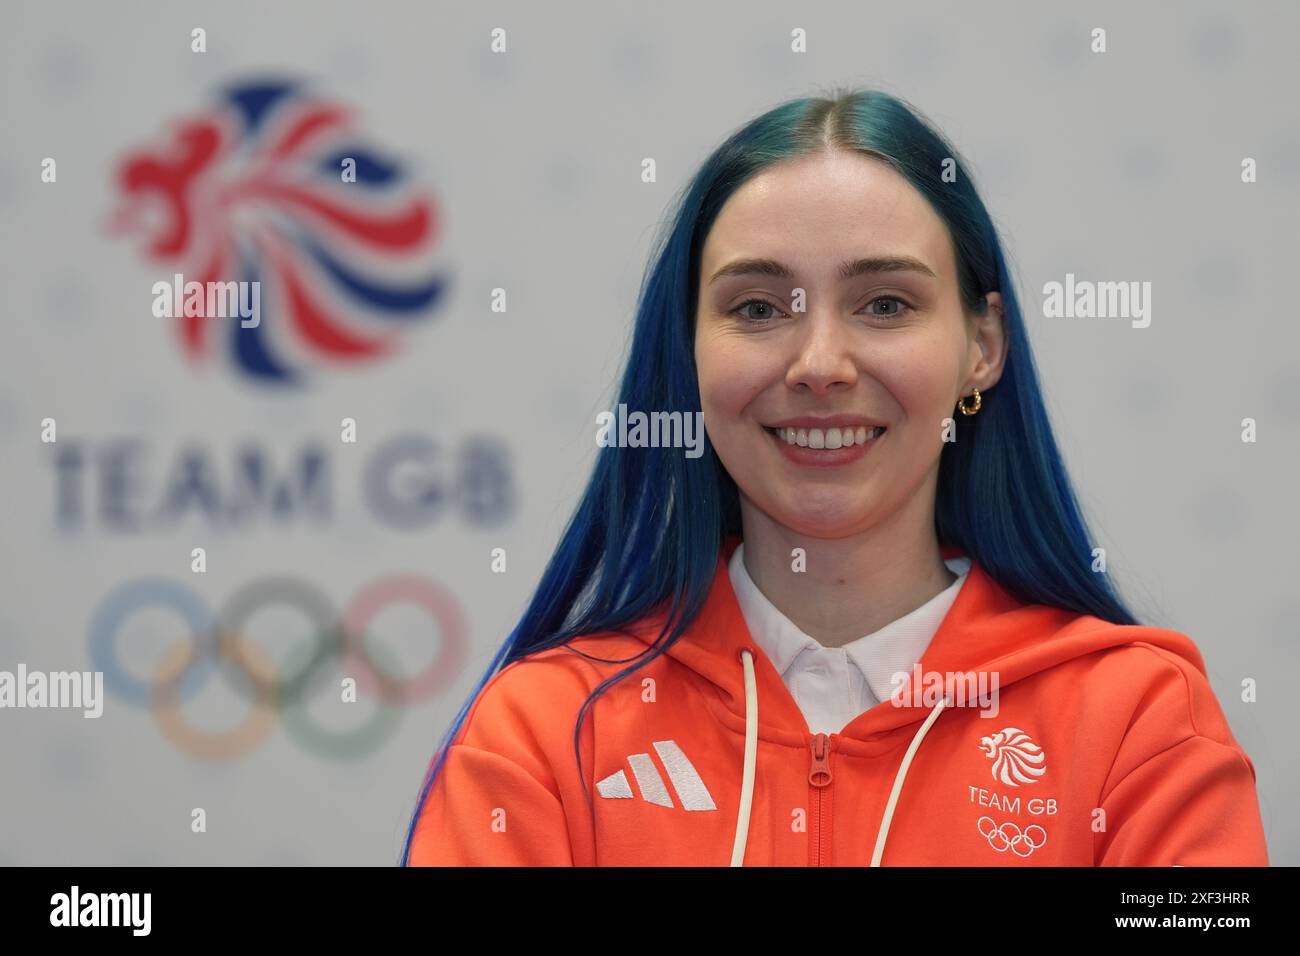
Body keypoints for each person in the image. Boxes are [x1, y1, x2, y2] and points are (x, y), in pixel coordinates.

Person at [401, 88, 1269, 866]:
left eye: (885, 303)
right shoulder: (545, 734)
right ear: (688, 351)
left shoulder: (1138, 724)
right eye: (757, 308)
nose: (820, 364)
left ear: (982, 346)